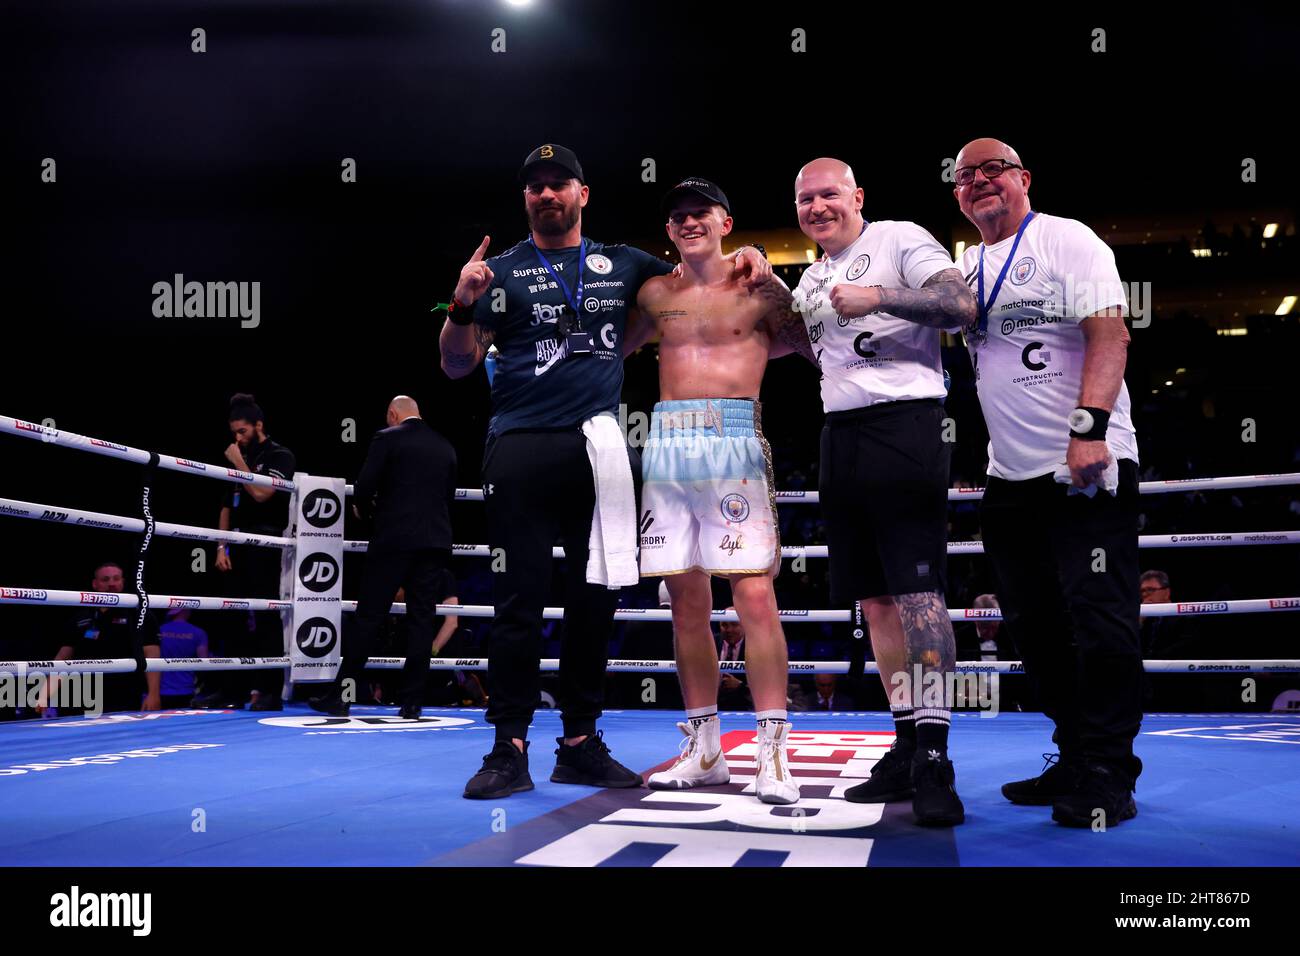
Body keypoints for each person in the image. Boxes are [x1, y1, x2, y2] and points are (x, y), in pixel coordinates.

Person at [439, 145, 771, 800]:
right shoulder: (497, 271)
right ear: (525, 199)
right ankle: (508, 745)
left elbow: (693, 279)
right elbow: (454, 365)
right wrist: (459, 303)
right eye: (533, 186)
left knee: (595, 602)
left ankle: (579, 742)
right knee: (518, 602)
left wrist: (748, 258)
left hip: (602, 451)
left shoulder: (627, 265)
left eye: (557, 182)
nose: (545, 193)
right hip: (518, 446)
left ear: (583, 193)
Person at [951, 137, 1143, 827]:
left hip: (1084, 465)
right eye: (965, 176)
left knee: (1100, 618)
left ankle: (1109, 771)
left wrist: (1089, 429)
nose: (979, 182)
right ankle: (1074, 752)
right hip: (1011, 479)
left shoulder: (1068, 239)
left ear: (1024, 178)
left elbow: (1110, 332)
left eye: (992, 170)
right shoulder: (964, 265)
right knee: (1035, 629)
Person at [792, 158, 976, 826]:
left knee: (918, 593)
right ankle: (903, 745)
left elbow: (960, 305)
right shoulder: (811, 278)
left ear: (858, 197)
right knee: (874, 600)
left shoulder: (898, 238)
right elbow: (809, 347)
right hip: (838, 438)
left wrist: (881, 297)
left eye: (830, 194)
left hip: (906, 425)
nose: (818, 206)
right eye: (806, 199)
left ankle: (934, 755)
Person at [629, 178, 813, 804]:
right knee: (685, 602)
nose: (688, 222)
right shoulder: (655, 293)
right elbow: (608, 349)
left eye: (700, 212)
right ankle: (706, 749)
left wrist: (773, 273)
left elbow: (816, 347)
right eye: (677, 216)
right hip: (667, 444)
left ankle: (772, 755)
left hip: (733, 437)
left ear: (726, 221)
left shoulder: (758, 287)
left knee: (755, 597)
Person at [310, 396, 456, 719]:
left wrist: (372, 514)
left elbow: (363, 489)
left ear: (393, 414)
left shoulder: (386, 438)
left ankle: (342, 697)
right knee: (421, 620)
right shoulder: (445, 446)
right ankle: (413, 702)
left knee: (369, 617)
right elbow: (447, 497)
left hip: (393, 541)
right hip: (433, 542)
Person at [196, 393, 296, 710]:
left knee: (266, 617)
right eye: (234, 433)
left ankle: (268, 691)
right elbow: (227, 504)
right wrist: (221, 545)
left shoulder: (280, 455)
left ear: (258, 425)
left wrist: (239, 464)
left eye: (243, 431)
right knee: (231, 617)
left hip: (265, 545)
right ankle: (231, 690)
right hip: (236, 545)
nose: (238, 438)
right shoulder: (241, 456)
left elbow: (263, 494)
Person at [52, 561, 161, 714]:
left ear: (122, 582)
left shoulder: (139, 613)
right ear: (95, 584)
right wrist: (46, 693)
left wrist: (153, 694)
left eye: (116, 579)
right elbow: (63, 657)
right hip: (82, 695)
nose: (112, 584)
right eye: (105, 579)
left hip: (125, 695)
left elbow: (152, 655)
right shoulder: (81, 616)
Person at [158, 607, 209, 708]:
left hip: (162, 691)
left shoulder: (160, 630)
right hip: (187, 690)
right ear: (185, 610)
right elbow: (205, 662)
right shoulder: (198, 633)